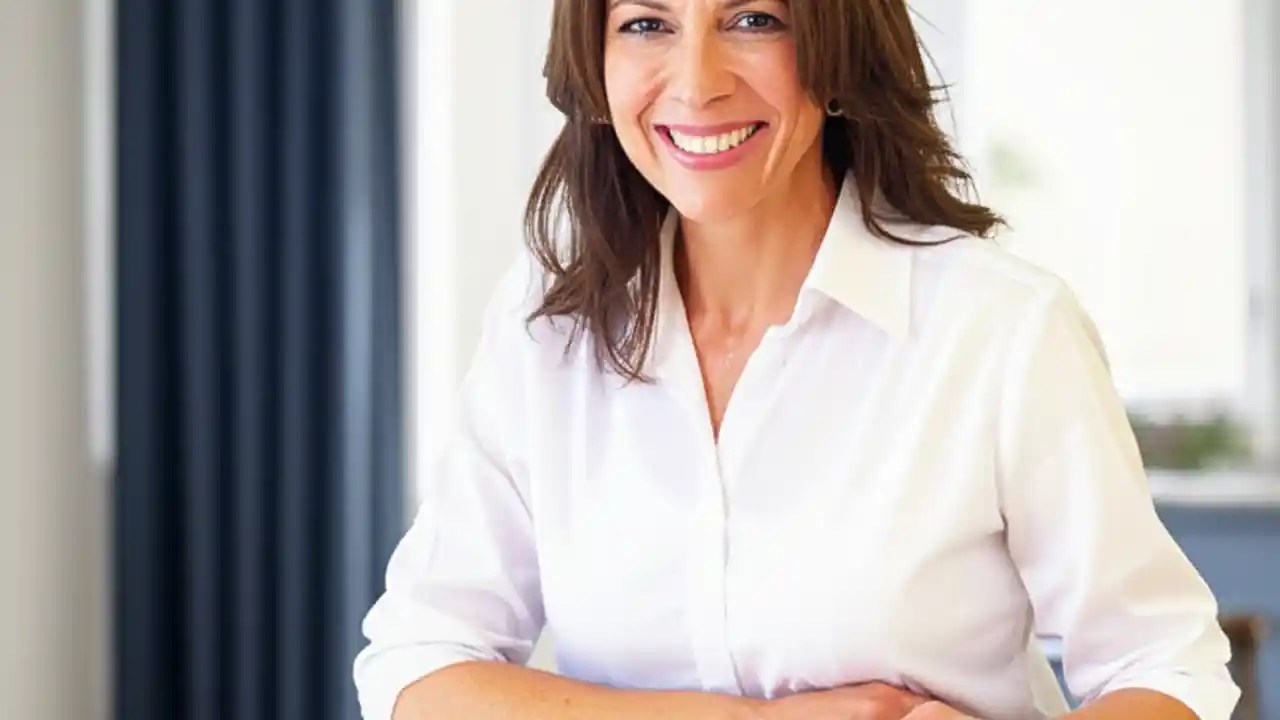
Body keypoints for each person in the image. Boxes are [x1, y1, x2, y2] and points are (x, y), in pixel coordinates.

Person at [354, 1, 1241, 718]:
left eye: (754, 20)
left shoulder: (999, 328)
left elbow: (1167, 667)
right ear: (595, 61)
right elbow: (419, 666)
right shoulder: (543, 332)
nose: (697, 82)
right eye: (646, 23)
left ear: (836, 45)